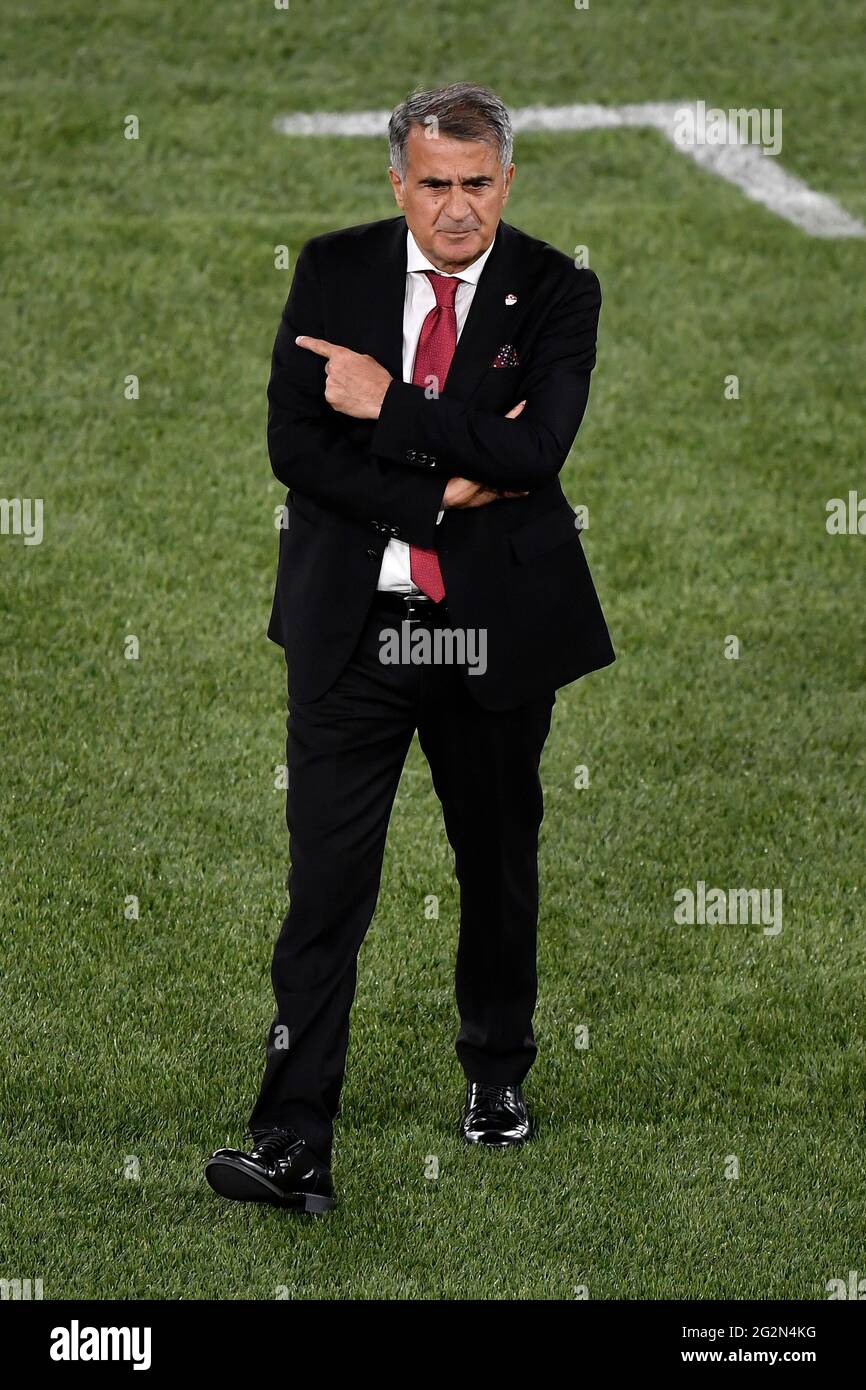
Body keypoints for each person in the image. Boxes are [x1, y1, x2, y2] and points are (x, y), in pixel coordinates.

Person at [206, 82, 614, 1213]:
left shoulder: (554, 290)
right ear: (396, 182)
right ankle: (291, 1138)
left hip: (488, 631)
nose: (455, 209)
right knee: (325, 885)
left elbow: (539, 454)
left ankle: (493, 1069)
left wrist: (386, 406)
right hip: (352, 629)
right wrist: (444, 491)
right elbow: (294, 442)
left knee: (494, 866)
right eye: (432, 183)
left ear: (507, 183)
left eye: (476, 184)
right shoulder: (331, 268)